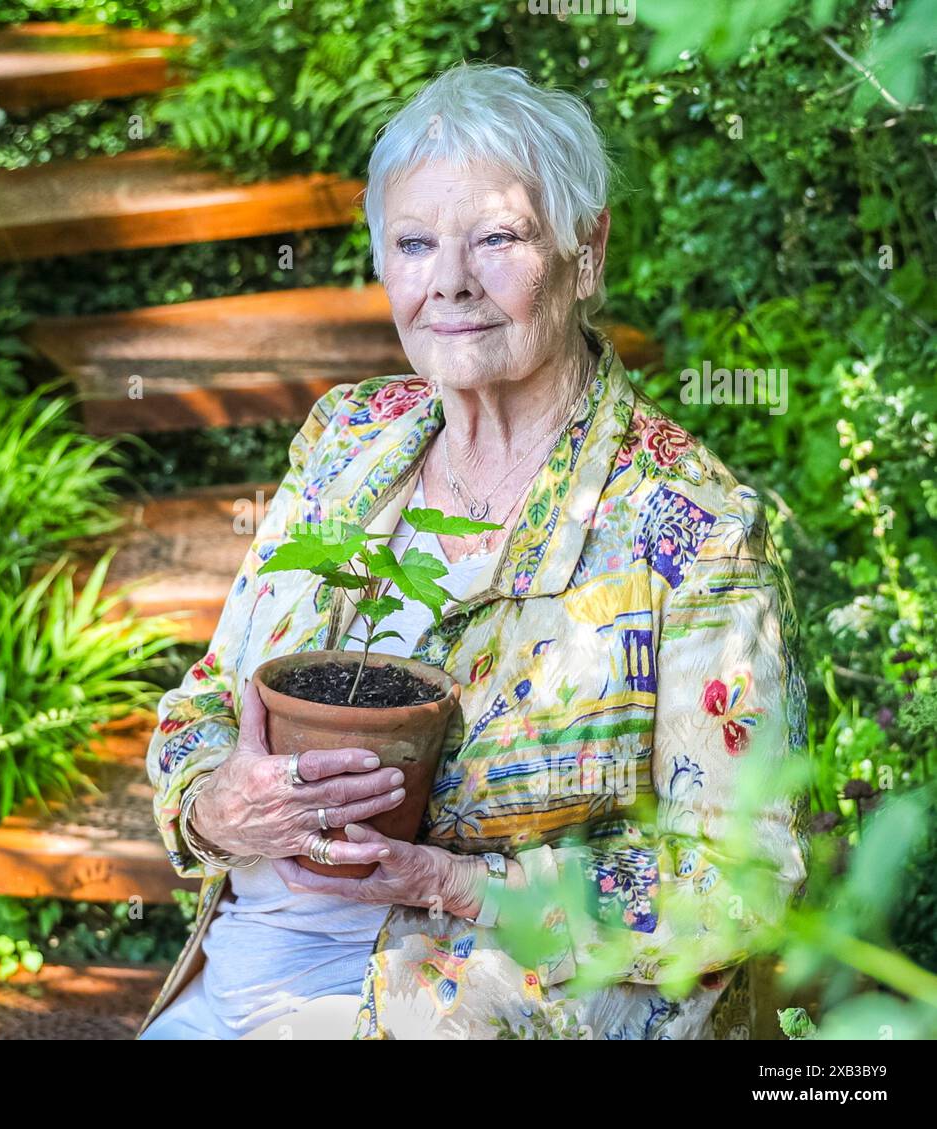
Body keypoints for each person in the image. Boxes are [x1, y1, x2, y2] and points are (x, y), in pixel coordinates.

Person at [137, 62, 809, 1041]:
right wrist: (215, 813)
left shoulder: (692, 527)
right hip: (244, 965)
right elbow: (203, 706)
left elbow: (740, 874)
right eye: (414, 244)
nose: (447, 280)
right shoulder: (347, 441)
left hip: (466, 1000)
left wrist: (457, 881)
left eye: (495, 239)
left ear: (586, 250)